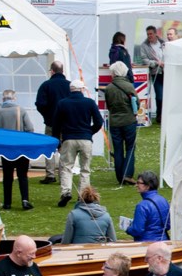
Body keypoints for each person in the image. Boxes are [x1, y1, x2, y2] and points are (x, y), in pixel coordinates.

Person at [51, 79, 104, 207]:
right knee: (85, 169)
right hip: (85, 138)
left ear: (71, 90)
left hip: (68, 138)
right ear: (81, 90)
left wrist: (57, 141)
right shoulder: (89, 103)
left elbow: (56, 125)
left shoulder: (62, 103)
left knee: (66, 167)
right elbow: (99, 121)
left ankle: (66, 192)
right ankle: (83, 196)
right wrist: (89, 132)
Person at [0, 89, 35, 211]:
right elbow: (30, 128)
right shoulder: (20, 110)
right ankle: (25, 200)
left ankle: (7, 203)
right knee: (22, 175)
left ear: (3, 99)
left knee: (7, 176)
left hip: (6, 148)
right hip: (20, 147)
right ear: (14, 98)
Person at [34, 59, 71, 185]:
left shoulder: (46, 85)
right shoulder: (69, 85)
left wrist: (47, 115)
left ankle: (50, 174)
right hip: (66, 124)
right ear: (62, 71)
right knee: (64, 150)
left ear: (52, 71)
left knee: (49, 148)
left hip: (51, 122)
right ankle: (63, 174)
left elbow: (40, 104)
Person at [104, 61, 140, 187]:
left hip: (115, 122)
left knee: (118, 149)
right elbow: (137, 103)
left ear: (113, 73)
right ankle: (128, 174)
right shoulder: (129, 86)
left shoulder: (108, 88)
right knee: (130, 147)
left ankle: (120, 176)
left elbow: (108, 105)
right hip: (129, 120)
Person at [127, 172, 171, 241]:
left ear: (148, 186)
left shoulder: (142, 206)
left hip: (146, 244)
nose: (136, 185)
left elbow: (137, 230)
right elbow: (168, 225)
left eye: (139, 183)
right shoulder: (163, 200)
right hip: (163, 242)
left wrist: (128, 228)